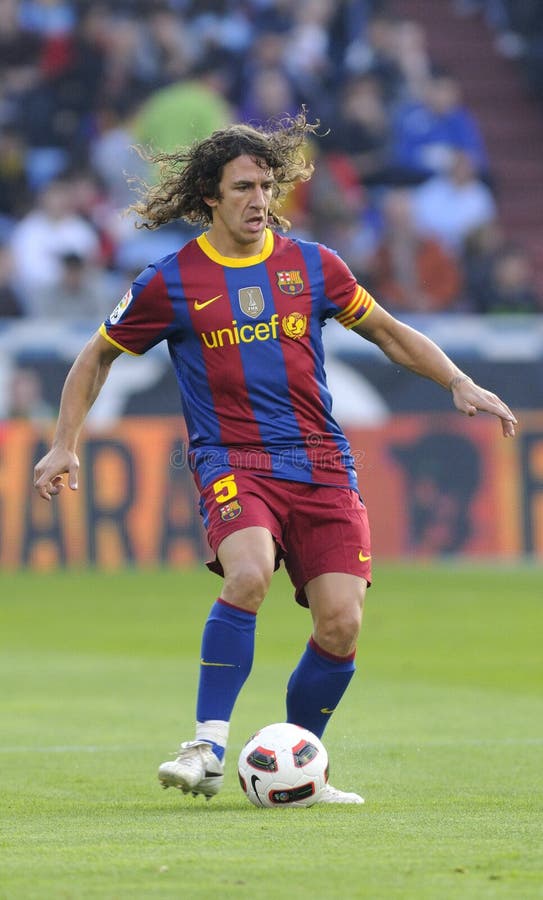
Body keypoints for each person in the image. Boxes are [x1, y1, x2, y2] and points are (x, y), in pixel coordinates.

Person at [33, 111, 516, 806]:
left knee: (341, 623)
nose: (259, 200)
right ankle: (205, 744)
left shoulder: (313, 265)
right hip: (232, 457)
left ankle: (294, 767)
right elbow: (96, 355)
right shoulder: (172, 281)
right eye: (243, 187)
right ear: (210, 195)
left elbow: (385, 331)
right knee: (250, 573)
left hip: (320, 458)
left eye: (266, 185)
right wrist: (63, 442)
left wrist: (459, 382)